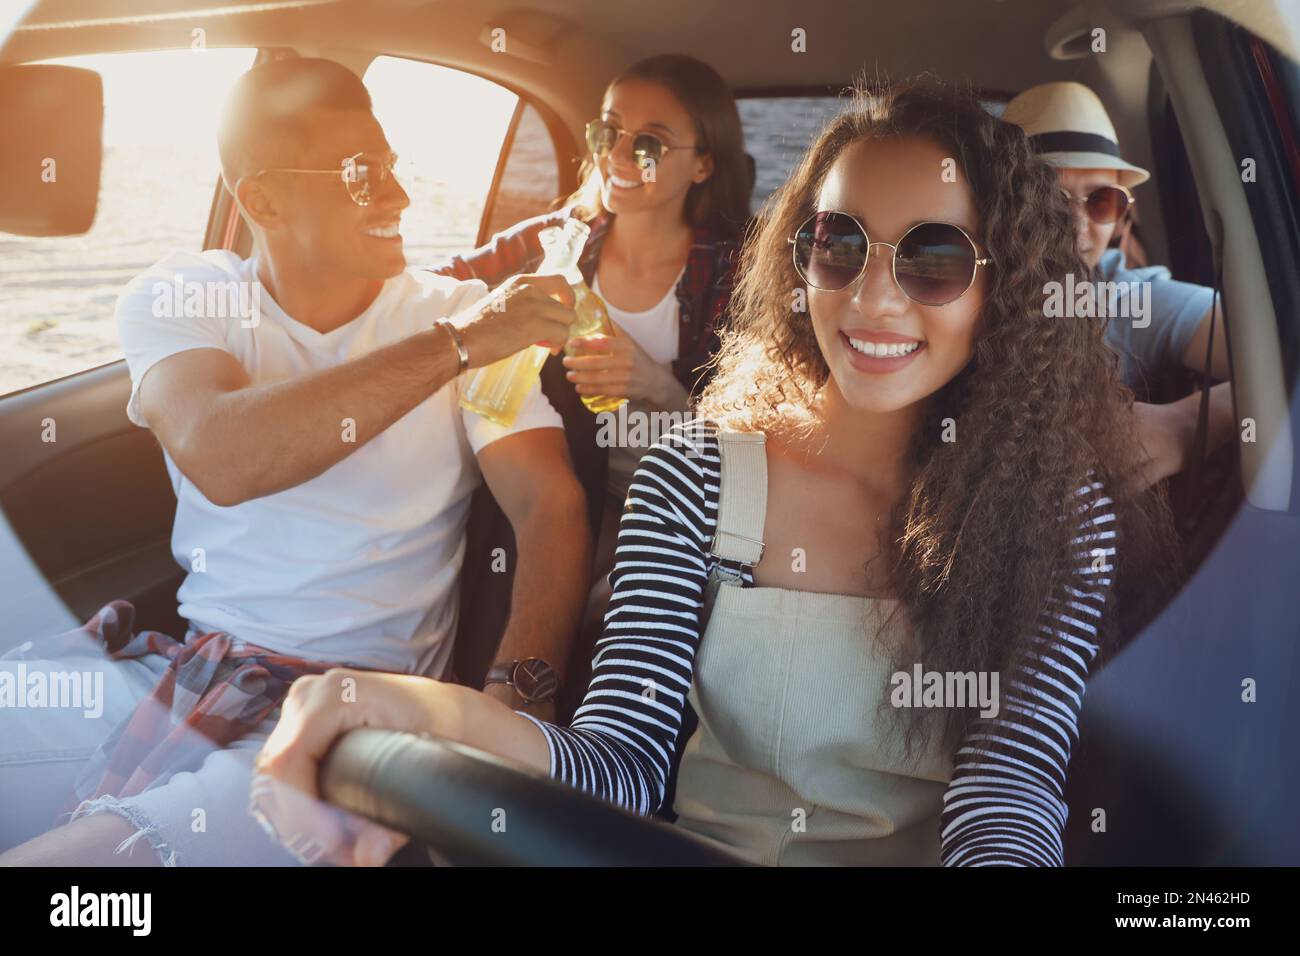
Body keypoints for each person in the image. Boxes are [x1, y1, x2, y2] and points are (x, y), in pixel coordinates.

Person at [250, 78, 1178, 867]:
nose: (871, 295)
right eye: (840, 245)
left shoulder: (1059, 514)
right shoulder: (692, 479)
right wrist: (416, 711)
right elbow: (620, 763)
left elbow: (1007, 796)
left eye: (932, 259)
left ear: (1002, 288)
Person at [0, 57, 590, 866]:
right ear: (262, 200)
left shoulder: (456, 314)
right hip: (189, 668)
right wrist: (455, 347)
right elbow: (221, 453)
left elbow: (547, 508)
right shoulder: (188, 295)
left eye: (389, 166)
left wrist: (516, 708)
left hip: (354, 718)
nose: (398, 197)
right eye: (359, 174)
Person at [431, 54, 750, 587]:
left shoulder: (738, 272)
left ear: (703, 164)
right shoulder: (556, 240)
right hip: (569, 493)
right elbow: (430, 288)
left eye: (648, 143)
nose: (619, 155)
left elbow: (764, 441)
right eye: (609, 131)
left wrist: (659, 387)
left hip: (691, 519)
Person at [1003, 81, 1235, 487]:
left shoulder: (1128, 300)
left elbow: (1281, 353)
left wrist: (1188, 423)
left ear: (1121, 215)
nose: (1076, 227)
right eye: (1047, 199)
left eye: (1101, 201)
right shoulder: (950, 291)